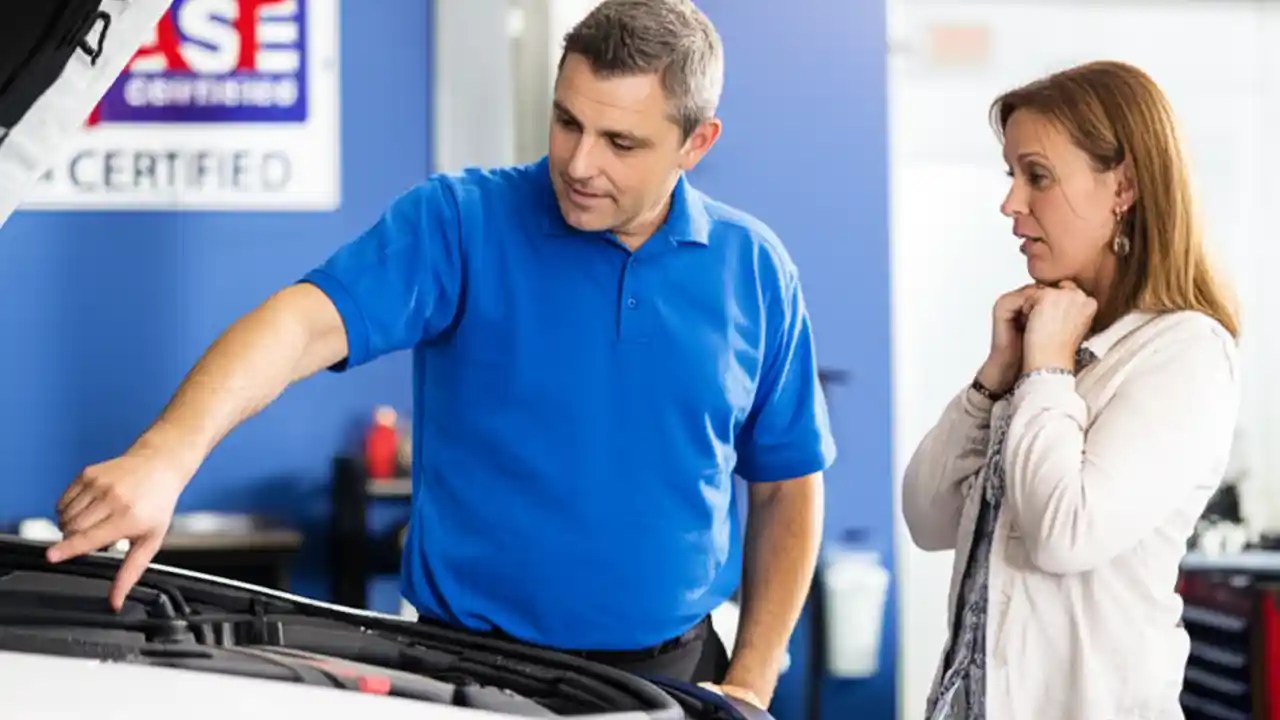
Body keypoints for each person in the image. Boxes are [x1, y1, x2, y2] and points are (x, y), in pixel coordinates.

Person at [43, 0, 836, 709]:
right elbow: (299, 326)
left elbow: (786, 488)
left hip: (669, 677)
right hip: (472, 674)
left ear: (696, 143)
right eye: (566, 121)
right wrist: (165, 455)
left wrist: (753, 681)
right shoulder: (462, 220)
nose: (580, 163)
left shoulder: (755, 270)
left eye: (621, 141)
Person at [902, 60, 1240, 720]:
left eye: (1038, 176)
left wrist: (1046, 370)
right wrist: (993, 378)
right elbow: (927, 516)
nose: (1011, 203)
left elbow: (1065, 533)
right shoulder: (1050, 350)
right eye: (1012, 175)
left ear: (1125, 186)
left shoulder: (1184, 352)